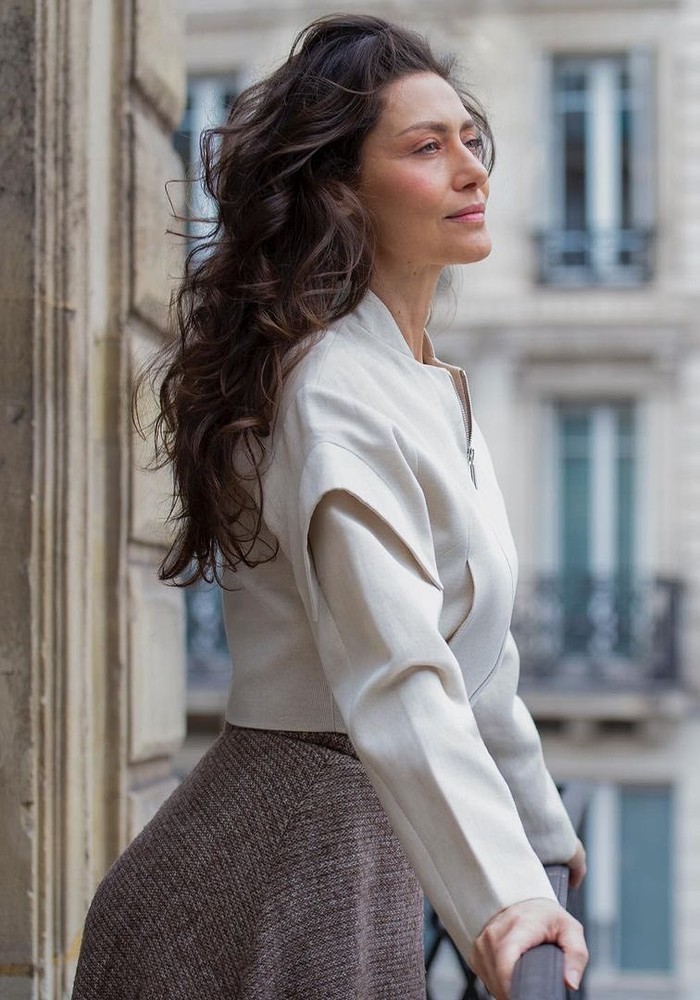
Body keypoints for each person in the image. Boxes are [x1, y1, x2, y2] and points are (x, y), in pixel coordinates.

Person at [71, 13, 588, 1000]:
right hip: (266, 872)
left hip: (359, 853)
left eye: (470, 139)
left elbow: (476, 663)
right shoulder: (332, 388)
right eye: (426, 148)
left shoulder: (425, 381)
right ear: (342, 188)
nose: (472, 170)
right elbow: (396, 674)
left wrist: (543, 841)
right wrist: (503, 902)